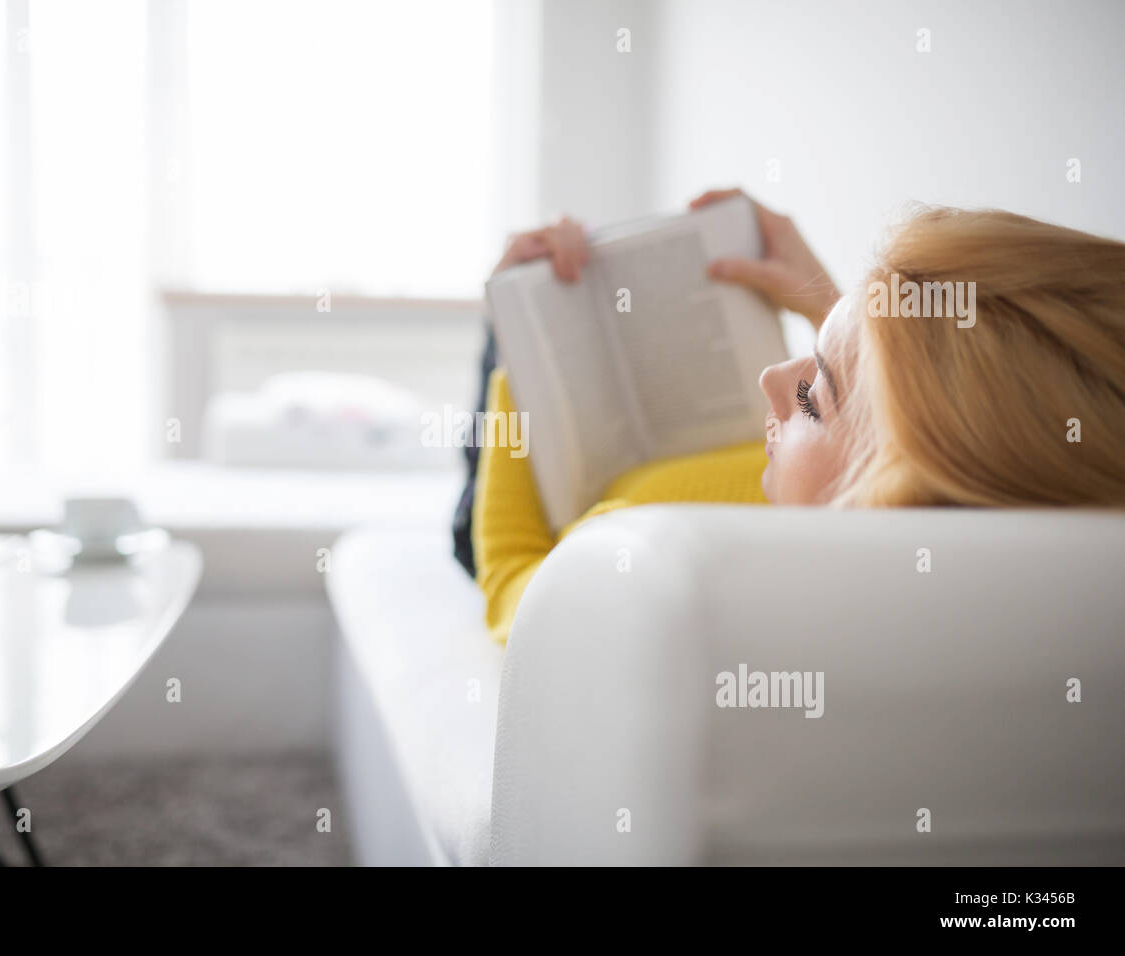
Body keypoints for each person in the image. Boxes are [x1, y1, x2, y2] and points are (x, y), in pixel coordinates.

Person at [456, 187, 1125, 645]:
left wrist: (521, 347)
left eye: (810, 398)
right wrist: (829, 306)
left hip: (535, 483)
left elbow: (512, 572)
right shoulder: (853, 490)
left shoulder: (640, 575)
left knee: (540, 265)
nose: (772, 381)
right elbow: (903, 424)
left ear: (883, 493)